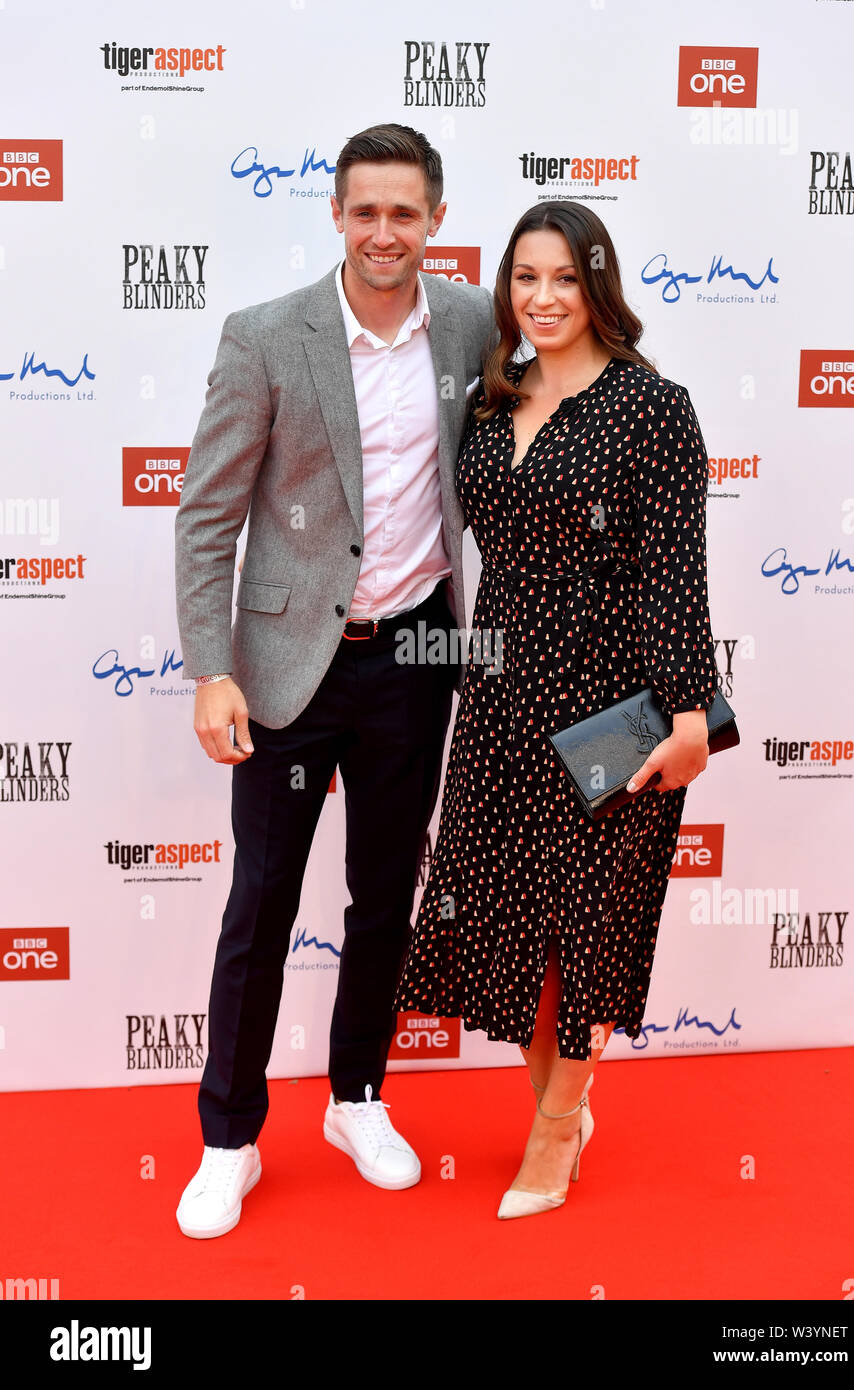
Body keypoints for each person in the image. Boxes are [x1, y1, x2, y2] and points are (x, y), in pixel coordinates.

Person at [173, 123, 493, 1238]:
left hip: (415, 658)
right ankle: (230, 1136)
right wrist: (210, 668)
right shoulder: (265, 338)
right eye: (366, 210)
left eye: (405, 212)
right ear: (336, 215)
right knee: (260, 904)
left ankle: (358, 1096)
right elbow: (208, 515)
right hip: (285, 668)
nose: (384, 231)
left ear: (436, 221)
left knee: (382, 896)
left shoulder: (470, 323)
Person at [394, 200, 719, 1220]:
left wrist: (689, 714)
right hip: (497, 697)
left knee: (587, 920)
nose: (542, 299)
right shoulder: (494, 401)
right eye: (523, 280)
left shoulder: (652, 408)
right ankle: (562, 1106)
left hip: (612, 702)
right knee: (505, 916)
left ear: (597, 285)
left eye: (563, 280)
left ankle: (549, 1129)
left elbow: (675, 569)